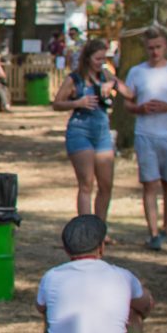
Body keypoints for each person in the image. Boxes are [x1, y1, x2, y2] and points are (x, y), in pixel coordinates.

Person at [36, 214, 154, 333]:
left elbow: (40, 307)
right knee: (133, 310)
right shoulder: (122, 276)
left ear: (67, 250)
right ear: (101, 247)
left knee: (50, 311)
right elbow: (146, 305)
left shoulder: (51, 277)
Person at [124, 29, 167, 252]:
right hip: (145, 133)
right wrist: (139, 108)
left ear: (165, 47)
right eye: (151, 47)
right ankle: (152, 232)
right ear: (145, 48)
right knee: (149, 183)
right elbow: (127, 102)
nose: (155, 52)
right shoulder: (136, 72)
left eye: (158, 47)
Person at [52, 37, 122, 223]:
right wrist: (78, 102)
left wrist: (113, 84)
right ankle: (86, 229)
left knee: (106, 184)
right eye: (97, 59)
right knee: (86, 184)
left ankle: (100, 228)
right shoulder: (74, 79)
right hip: (80, 129)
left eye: (103, 59)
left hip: (102, 131)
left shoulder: (105, 75)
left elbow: (130, 93)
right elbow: (57, 103)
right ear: (88, 58)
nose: (101, 63)